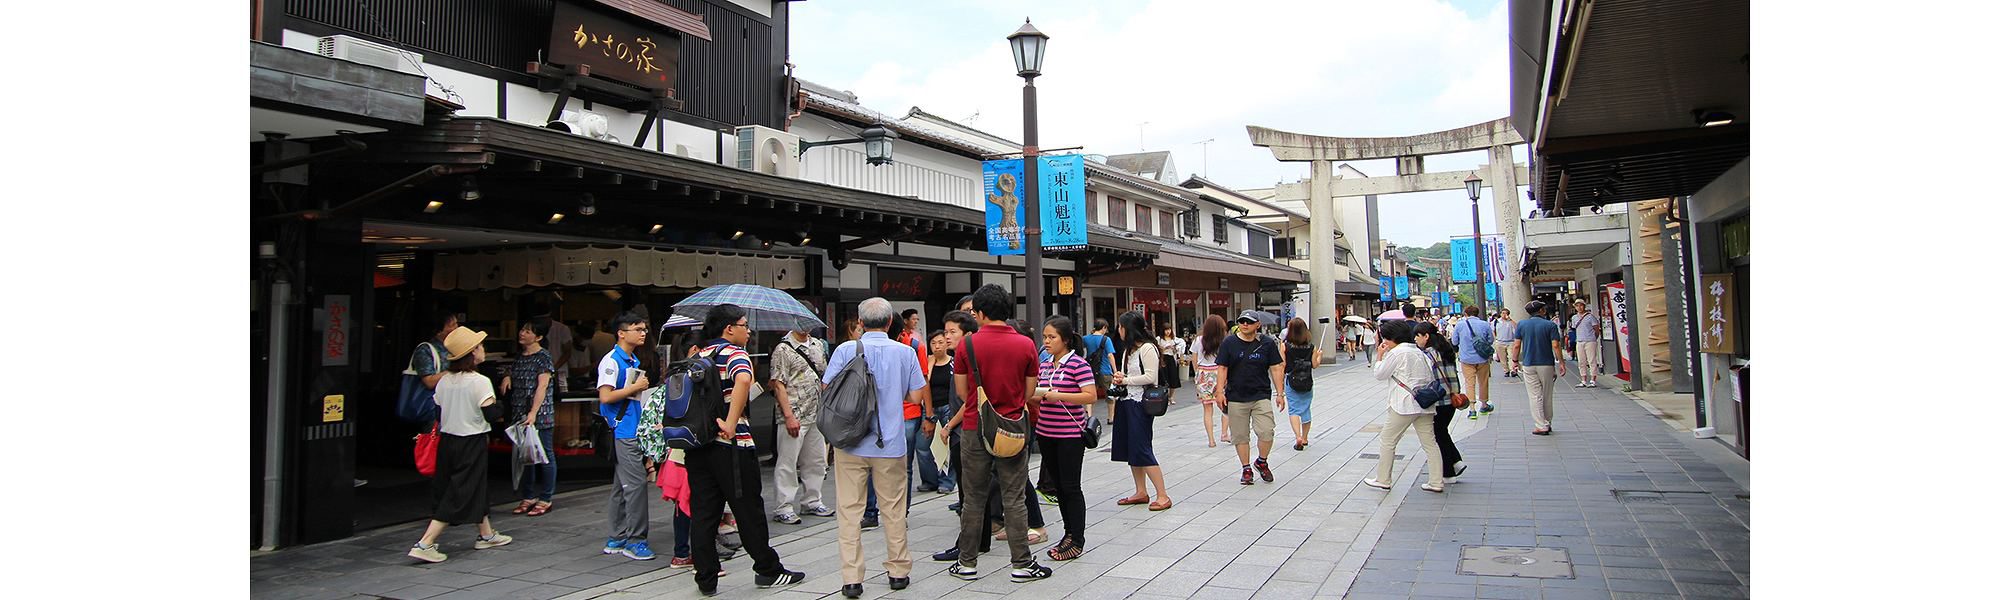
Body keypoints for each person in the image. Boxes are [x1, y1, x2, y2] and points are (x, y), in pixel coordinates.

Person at [687, 305, 806, 595]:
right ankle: (767, 569)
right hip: (732, 444)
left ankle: (706, 579)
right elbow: (742, 380)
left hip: (698, 444)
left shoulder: (697, 355)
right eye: (744, 325)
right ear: (729, 329)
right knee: (748, 508)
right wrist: (729, 422)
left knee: (704, 512)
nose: (749, 330)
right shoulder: (735, 354)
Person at [945, 284, 1053, 583]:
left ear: (979, 313)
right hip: (1013, 427)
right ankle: (1021, 564)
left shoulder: (967, 346)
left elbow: (963, 390)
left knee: (974, 497)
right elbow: (1031, 392)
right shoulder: (1026, 345)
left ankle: (967, 563)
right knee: (1014, 497)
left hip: (974, 427)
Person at [822, 298, 927, 599]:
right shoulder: (905, 352)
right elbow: (916, 397)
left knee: (849, 510)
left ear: (860, 321)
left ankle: (852, 578)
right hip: (890, 442)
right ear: (890, 322)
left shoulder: (844, 350)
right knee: (893, 509)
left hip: (850, 443)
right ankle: (898, 571)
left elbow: (827, 389)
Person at [406, 327, 512, 563]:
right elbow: (491, 415)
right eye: (480, 346)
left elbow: (439, 408)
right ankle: (426, 542)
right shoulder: (480, 382)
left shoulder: (444, 382)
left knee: (471, 487)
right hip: (471, 441)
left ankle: (486, 535)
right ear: (472, 353)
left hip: (448, 441)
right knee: (460, 491)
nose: (483, 350)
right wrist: (501, 404)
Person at [1032, 316, 1097, 561]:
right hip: (1046, 432)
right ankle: (1067, 534)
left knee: (1070, 486)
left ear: (1066, 340)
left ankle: (1076, 538)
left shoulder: (1078, 364)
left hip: (1070, 434)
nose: (1046, 342)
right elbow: (1039, 393)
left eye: (1052, 337)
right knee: (1058, 487)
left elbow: (1090, 396)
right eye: (1045, 337)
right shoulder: (1046, 364)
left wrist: (1056, 394)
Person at [595, 312, 656, 561]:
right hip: (624, 430)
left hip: (630, 428)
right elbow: (606, 396)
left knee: (623, 486)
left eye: (644, 329)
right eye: (637, 329)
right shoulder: (612, 361)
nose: (642, 333)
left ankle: (618, 536)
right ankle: (635, 540)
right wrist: (635, 388)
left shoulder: (630, 359)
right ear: (621, 332)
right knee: (636, 486)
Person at [1364, 319, 1447, 494]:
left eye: (1386, 338)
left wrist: (1379, 356)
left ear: (1392, 337)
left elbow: (1380, 374)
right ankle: (1436, 481)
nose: (1384, 341)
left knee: (1388, 440)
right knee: (1430, 443)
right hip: (1424, 403)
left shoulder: (1397, 353)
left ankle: (1383, 479)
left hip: (1404, 404)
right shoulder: (1419, 352)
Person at [768, 327, 835, 525]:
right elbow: (778, 384)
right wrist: (788, 415)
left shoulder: (817, 345)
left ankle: (812, 500)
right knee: (788, 462)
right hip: (794, 412)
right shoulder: (783, 349)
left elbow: (824, 375)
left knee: (816, 460)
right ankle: (783, 506)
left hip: (815, 412)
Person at [1109, 311, 1171, 510]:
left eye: (1120, 326)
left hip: (1140, 403)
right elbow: (1128, 374)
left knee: (1142, 447)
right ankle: (1141, 491)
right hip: (1126, 401)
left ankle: (1163, 495)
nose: (1118, 330)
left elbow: (1151, 377)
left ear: (1129, 329)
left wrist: (1125, 379)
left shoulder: (1147, 348)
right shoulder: (1129, 350)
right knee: (1131, 448)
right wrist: (1120, 376)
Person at [1216, 311, 1285, 486]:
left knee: (1266, 431)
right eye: (1242, 321)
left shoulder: (1267, 343)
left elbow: (1276, 368)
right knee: (1240, 436)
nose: (1245, 324)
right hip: (1236, 396)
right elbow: (1222, 368)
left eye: (1249, 322)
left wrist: (1280, 393)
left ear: (1258, 325)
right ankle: (1246, 468)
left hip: (1260, 394)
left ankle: (1262, 461)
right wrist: (1219, 392)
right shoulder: (1229, 343)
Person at [501, 317, 559, 517]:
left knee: (545, 455)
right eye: (523, 329)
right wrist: (508, 376)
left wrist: (534, 412)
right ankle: (528, 496)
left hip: (540, 415)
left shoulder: (543, 357)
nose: (522, 333)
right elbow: (514, 371)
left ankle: (546, 497)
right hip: (519, 413)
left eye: (528, 331)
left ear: (539, 337)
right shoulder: (519, 356)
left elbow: (542, 386)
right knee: (524, 457)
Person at [1415, 322, 1468, 483]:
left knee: (1438, 435)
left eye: (1418, 336)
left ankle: (1448, 473)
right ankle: (1456, 462)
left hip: (1438, 400)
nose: (1416, 340)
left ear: (1426, 336)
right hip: (1452, 399)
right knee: (1442, 432)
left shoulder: (1428, 354)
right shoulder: (1446, 351)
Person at [1516, 301, 1567, 435]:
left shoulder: (1521, 324)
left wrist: (1515, 361)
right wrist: (1561, 362)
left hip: (1528, 364)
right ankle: (1547, 422)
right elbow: (1555, 345)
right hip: (1546, 364)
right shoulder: (1550, 325)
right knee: (1547, 394)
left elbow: (1516, 345)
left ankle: (1540, 424)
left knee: (1534, 395)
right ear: (1542, 311)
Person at [1279, 318, 1322, 452]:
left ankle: (1297, 436)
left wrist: (1279, 387)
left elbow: (1282, 365)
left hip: (1291, 380)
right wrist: (1319, 356)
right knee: (1305, 409)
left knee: (1293, 410)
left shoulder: (1284, 346)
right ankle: (1305, 437)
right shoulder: (1312, 347)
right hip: (1307, 381)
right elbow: (1315, 365)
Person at [1187, 315, 1230, 447]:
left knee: (1207, 409)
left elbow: (1193, 359)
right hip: (1219, 373)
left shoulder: (1198, 340)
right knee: (1225, 406)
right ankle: (1224, 433)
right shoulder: (1224, 341)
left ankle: (1211, 440)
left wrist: (1197, 373)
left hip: (1203, 374)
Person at [924, 329, 958, 495]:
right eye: (933, 343)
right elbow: (924, 383)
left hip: (948, 407)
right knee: (924, 445)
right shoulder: (927, 362)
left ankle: (947, 481)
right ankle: (929, 480)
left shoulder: (954, 362)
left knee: (947, 445)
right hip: (930, 407)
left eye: (940, 342)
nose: (937, 346)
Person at [1451, 306, 1495, 417]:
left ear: (1466, 314)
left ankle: (1472, 409)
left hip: (1466, 359)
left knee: (1470, 383)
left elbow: (1454, 341)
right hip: (1482, 358)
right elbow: (1490, 340)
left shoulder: (1460, 325)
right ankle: (1484, 405)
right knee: (1483, 381)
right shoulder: (1485, 324)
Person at [1569, 299, 1604, 388]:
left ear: (1584, 306)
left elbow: (1596, 329)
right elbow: (1574, 328)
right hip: (1579, 341)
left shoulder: (1590, 317)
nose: (1579, 307)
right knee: (1581, 361)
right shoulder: (1574, 318)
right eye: (1577, 306)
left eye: (1581, 305)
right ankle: (1583, 380)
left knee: (1592, 360)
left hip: (1590, 341)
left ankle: (1593, 380)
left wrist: (1594, 338)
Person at [1492, 308, 1519, 381]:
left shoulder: (1510, 322)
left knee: (1511, 356)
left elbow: (1517, 328)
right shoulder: (1496, 321)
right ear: (1500, 314)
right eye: (1503, 313)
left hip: (1510, 341)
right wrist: (1495, 339)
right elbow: (1493, 330)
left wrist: (1510, 320)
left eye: (1506, 313)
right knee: (1502, 358)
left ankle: (1513, 370)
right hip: (1500, 341)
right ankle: (1506, 370)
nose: (1504, 315)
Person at [1157, 325, 1184, 395]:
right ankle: (1165, 396)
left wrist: (1174, 348)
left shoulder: (1173, 339)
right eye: (1166, 330)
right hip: (1163, 358)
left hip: (1171, 358)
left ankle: (1171, 396)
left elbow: (1175, 352)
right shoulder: (1159, 339)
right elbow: (1157, 350)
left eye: (1169, 329)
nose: (1168, 332)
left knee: (1173, 377)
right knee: (1164, 378)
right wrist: (1164, 348)